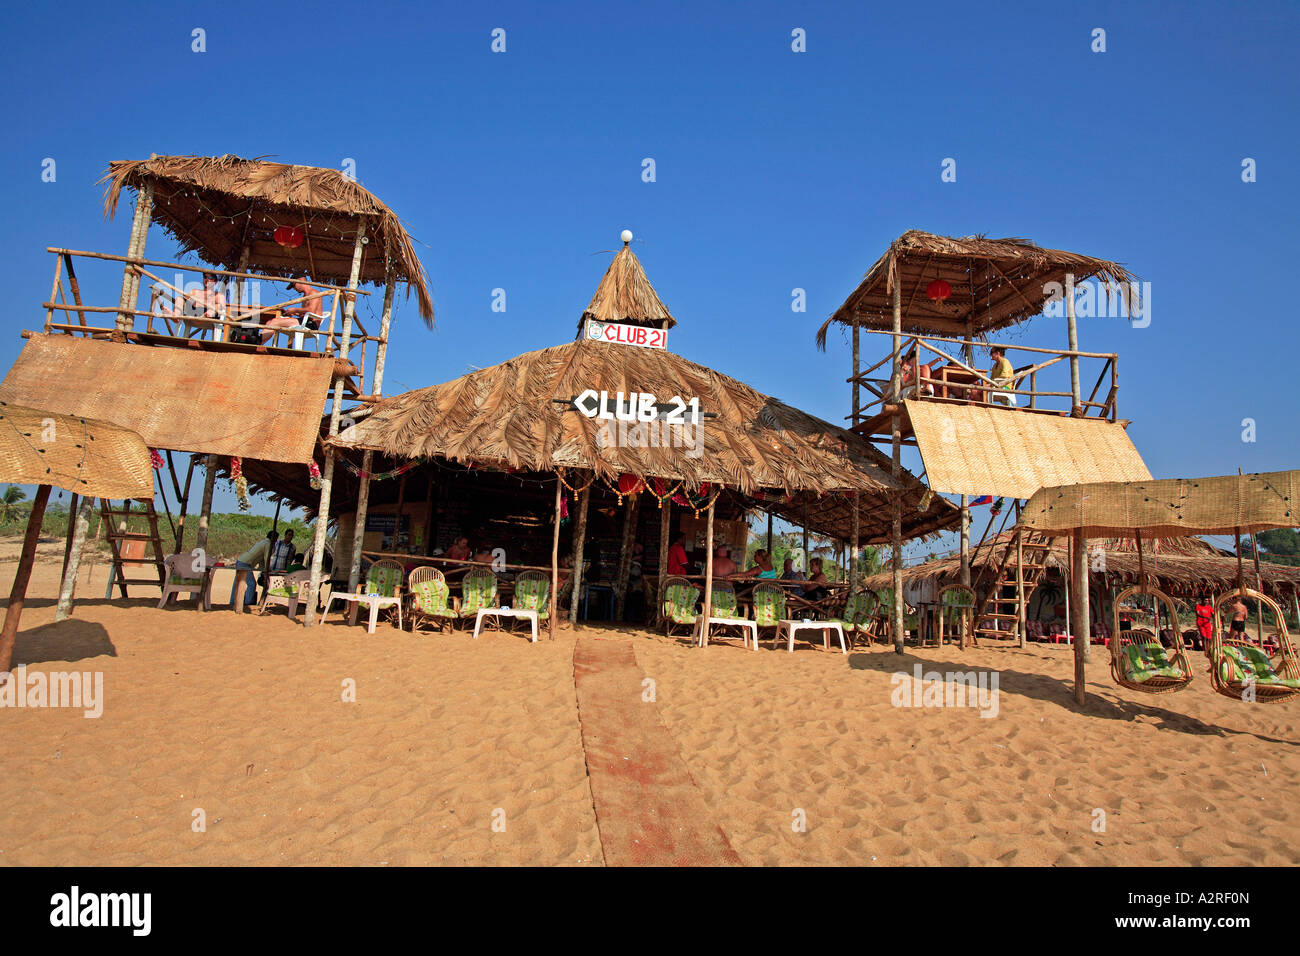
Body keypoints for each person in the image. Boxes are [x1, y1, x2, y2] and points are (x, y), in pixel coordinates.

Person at [263, 278, 327, 345]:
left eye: (293, 285)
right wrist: (294, 313)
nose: (294, 288)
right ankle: (258, 343)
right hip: (304, 321)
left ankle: (257, 341)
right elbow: (306, 314)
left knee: (274, 322)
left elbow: (311, 310)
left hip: (311, 324)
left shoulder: (314, 293)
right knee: (269, 322)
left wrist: (295, 310)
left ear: (300, 280)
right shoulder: (305, 296)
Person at [231, 529, 277, 611]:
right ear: (274, 538)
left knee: (237, 583)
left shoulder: (263, 542)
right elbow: (267, 559)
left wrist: (264, 570)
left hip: (241, 560)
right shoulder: (268, 544)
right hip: (245, 563)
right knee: (252, 584)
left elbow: (262, 561)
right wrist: (268, 569)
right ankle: (247, 603)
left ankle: (232, 602)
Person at [179, 273, 226, 339]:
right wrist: (188, 297)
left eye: (210, 278)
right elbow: (185, 299)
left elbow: (222, 309)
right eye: (205, 277)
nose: (207, 279)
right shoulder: (195, 291)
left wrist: (212, 308)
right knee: (179, 299)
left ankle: (205, 316)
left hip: (209, 315)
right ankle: (175, 316)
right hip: (194, 313)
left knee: (218, 306)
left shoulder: (219, 295)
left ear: (215, 282)